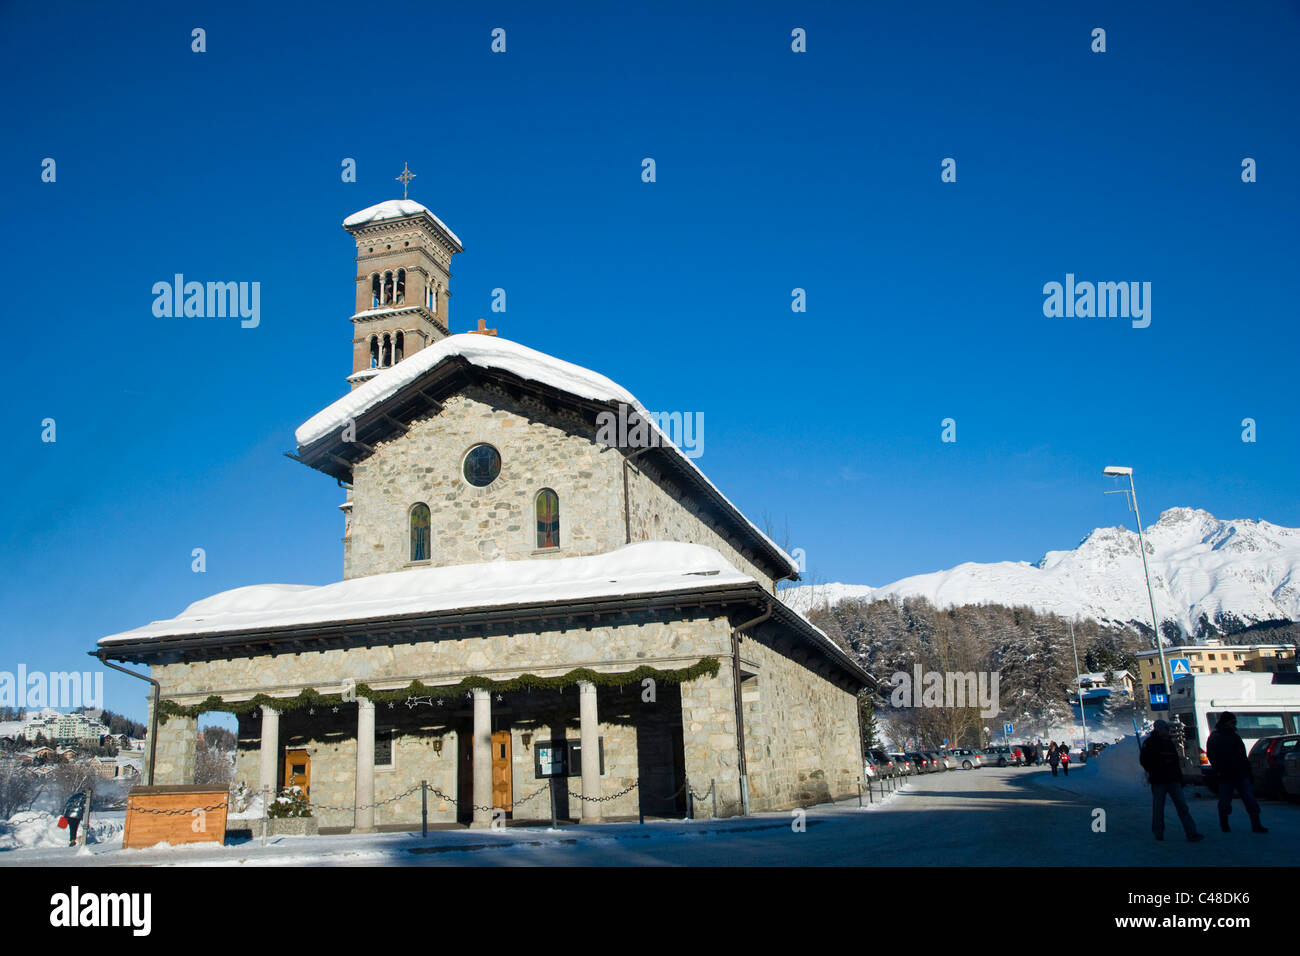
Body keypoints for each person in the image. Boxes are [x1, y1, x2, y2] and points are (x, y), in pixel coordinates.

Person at [1139, 720, 1204, 842]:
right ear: (1159, 729)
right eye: (1165, 728)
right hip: (1159, 780)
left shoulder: (1169, 743)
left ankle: (1191, 832)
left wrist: (1180, 778)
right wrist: (1157, 767)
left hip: (1173, 780)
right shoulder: (1150, 743)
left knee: (1182, 806)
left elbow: (1175, 762)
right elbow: (1144, 760)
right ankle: (1158, 832)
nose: (1167, 731)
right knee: (1159, 808)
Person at [1206, 712, 1267, 834]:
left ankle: (1255, 824)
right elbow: (1212, 756)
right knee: (1226, 801)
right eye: (1232, 722)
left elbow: (1243, 757)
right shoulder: (1217, 737)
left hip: (1239, 774)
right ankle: (1226, 824)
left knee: (1248, 800)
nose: (1234, 724)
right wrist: (1219, 770)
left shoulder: (1233, 736)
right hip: (1226, 775)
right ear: (1225, 722)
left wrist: (1248, 773)